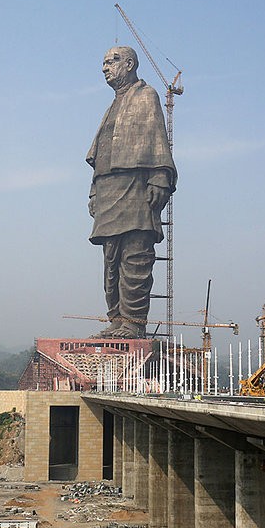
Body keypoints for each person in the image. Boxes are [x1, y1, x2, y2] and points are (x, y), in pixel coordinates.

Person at [86, 46, 177, 339]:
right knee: (110, 260)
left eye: (111, 61)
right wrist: (94, 193)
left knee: (136, 255)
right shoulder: (111, 106)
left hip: (136, 186)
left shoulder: (146, 96)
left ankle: (134, 322)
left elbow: (157, 138)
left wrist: (160, 176)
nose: (105, 67)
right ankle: (116, 319)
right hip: (108, 188)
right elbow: (99, 153)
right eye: (103, 62)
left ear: (129, 64)